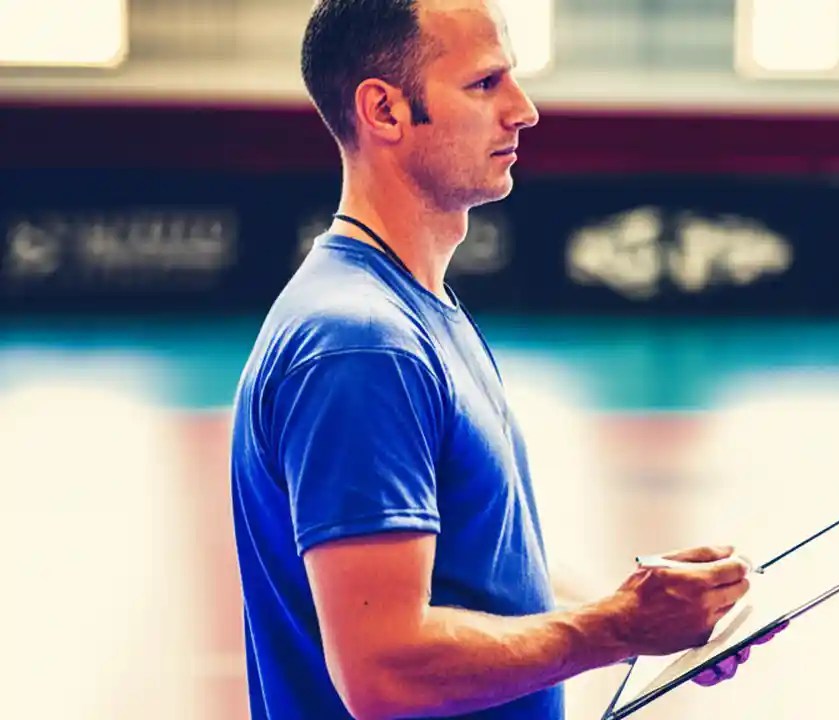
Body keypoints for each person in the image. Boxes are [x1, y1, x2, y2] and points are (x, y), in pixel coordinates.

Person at [230, 1, 779, 718]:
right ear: (385, 111)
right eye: (485, 84)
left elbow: (480, 576)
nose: (524, 110)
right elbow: (384, 670)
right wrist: (617, 628)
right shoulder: (361, 345)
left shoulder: (417, 310)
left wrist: (644, 612)